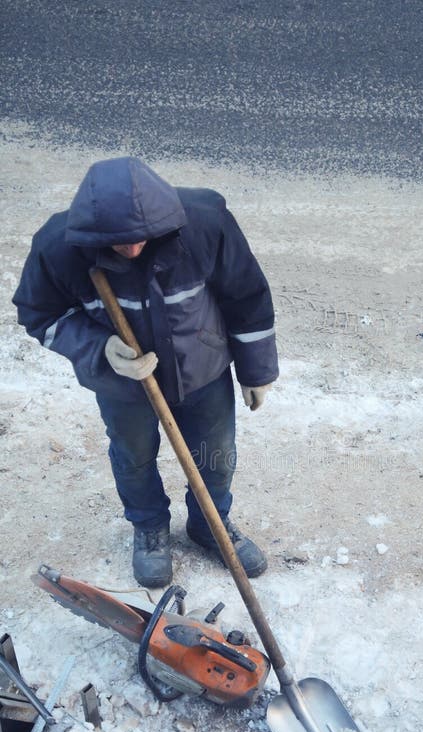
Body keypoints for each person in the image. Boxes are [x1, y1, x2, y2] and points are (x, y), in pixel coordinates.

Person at [13, 157, 278, 588]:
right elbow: (39, 314)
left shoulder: (205, 224)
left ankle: (210, 524)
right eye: (117, 243)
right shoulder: (59, 247)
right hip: (122, 383)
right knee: (133, 457)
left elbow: (246, 296)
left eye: (139, 238)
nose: (132, 249)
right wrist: (100, 348)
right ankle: (149, 526)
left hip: (203, 368)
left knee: (216, 458)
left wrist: (256, 368)